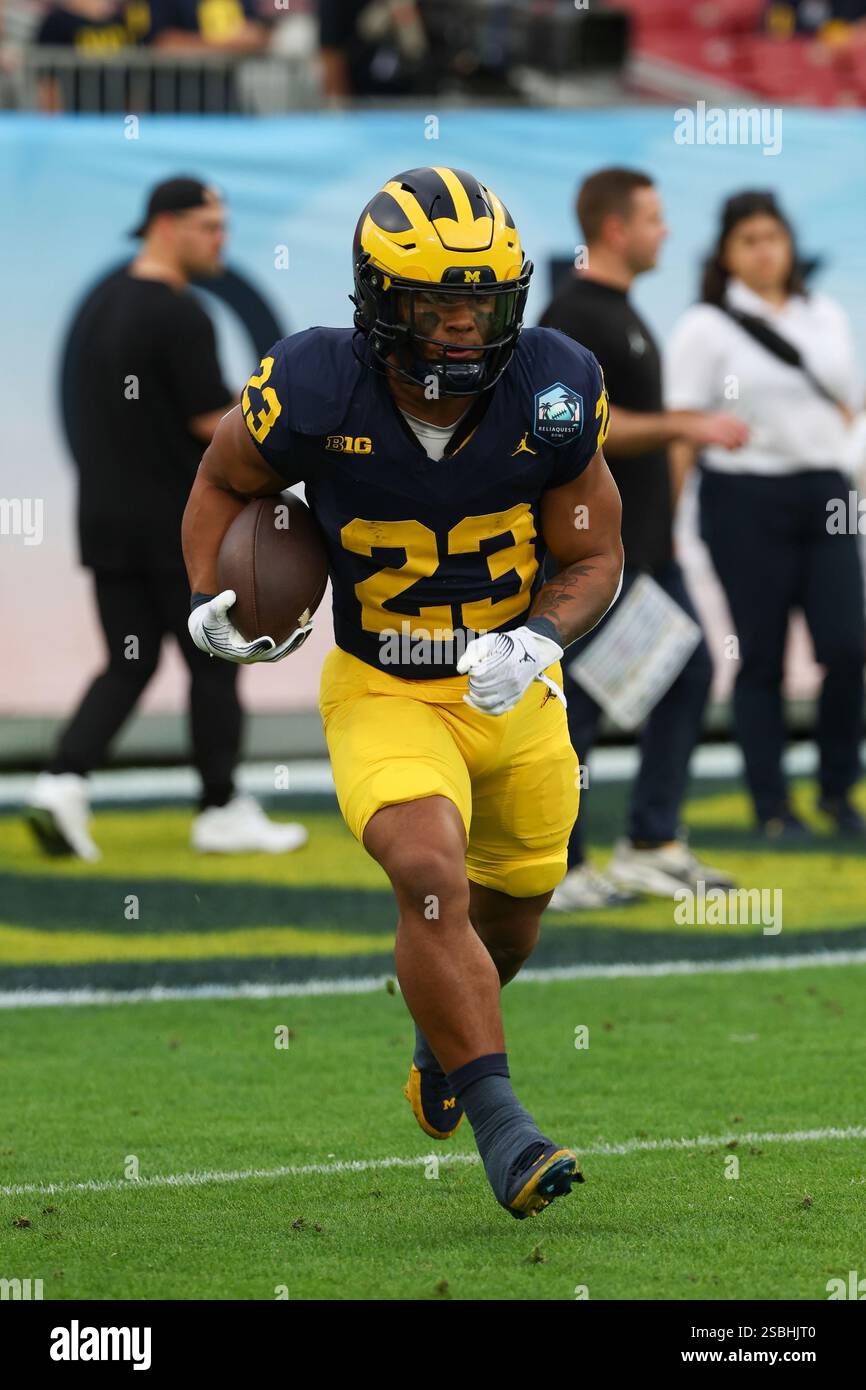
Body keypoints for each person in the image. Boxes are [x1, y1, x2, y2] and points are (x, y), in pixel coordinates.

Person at [182, 166, 624, 1220]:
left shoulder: (555, 385)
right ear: (379, 300)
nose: (465, 328)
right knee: (428, 873)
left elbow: (595, 551)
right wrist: (208, 595)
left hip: (511, 693)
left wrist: (539, 637)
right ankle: (504, 1127)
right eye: (437, 303)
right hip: (383, 684)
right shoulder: (313, 385)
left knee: (509, 923)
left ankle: (444, 1040)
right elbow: (222, 482)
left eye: (483, 301)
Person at [27, 176, 305, 861]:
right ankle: (219, 808)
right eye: (210, 226)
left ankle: (61, 784)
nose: (222, 240)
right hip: (173, 525)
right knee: (214, 663)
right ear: (165, 226)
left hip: (105, 521)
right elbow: (213, 421)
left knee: (129, 662)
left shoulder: (102, 305)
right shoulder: (180, 313)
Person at [539, 168, 748, 909]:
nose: (666, 231)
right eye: (654, 218)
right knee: (576, 702)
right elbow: (581, 424)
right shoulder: (576, 313)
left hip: (648, 546)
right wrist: (686, 424)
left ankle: (651, 842)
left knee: (687, 675)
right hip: (598, 549)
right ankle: (555, 863)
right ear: (616, 229)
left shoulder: (618, 309)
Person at [666, 190, 865, 838]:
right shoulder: (706, 325)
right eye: (748, 239)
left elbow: (850, 405)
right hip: (744, 499)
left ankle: (838, 791)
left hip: (827, 491)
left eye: (772, 236)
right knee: (761, 656)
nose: (763, 249)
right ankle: (772, 806)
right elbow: (681, 429)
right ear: (726, 253)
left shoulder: (824, 313)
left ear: (789, 243)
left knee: (848, 644)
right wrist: (665, 526)